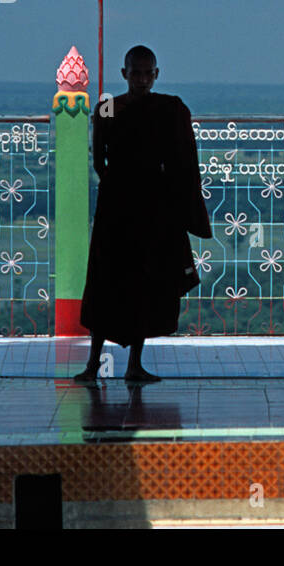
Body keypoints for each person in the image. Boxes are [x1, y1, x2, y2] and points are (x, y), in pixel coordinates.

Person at [73, 45, 212, 382]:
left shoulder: (170, 109)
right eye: (136, 73)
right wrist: (122, 189)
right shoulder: (108, 108)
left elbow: (182, 160)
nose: (142, 79)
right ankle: (93, 364)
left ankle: (134, 364)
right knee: (107, 281)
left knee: (143, 284)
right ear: (124, 74)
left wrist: (170, 202)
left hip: (152, 209)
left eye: (148, 73)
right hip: (117, 210)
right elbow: (98, 160)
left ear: (156, 74)